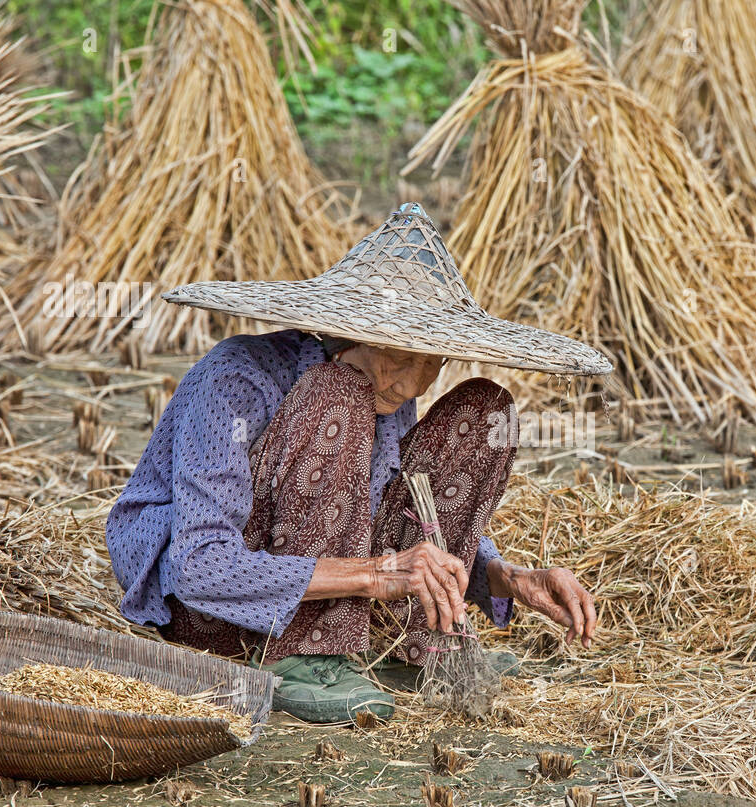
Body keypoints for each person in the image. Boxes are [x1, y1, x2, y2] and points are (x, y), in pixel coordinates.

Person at [106, 203, 611, 724]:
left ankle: (409, 643)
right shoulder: (236, 381)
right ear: (346, 332)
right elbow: (198, 568)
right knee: (340, 393)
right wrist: (375, 575)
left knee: (486, 409)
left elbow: (392, 505)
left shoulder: (385, 385)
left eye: (430, 362)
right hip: (218, 615)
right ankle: (304, 658)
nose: (410, 385)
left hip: (341, 587)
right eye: (399, 357)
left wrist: (506, 576)